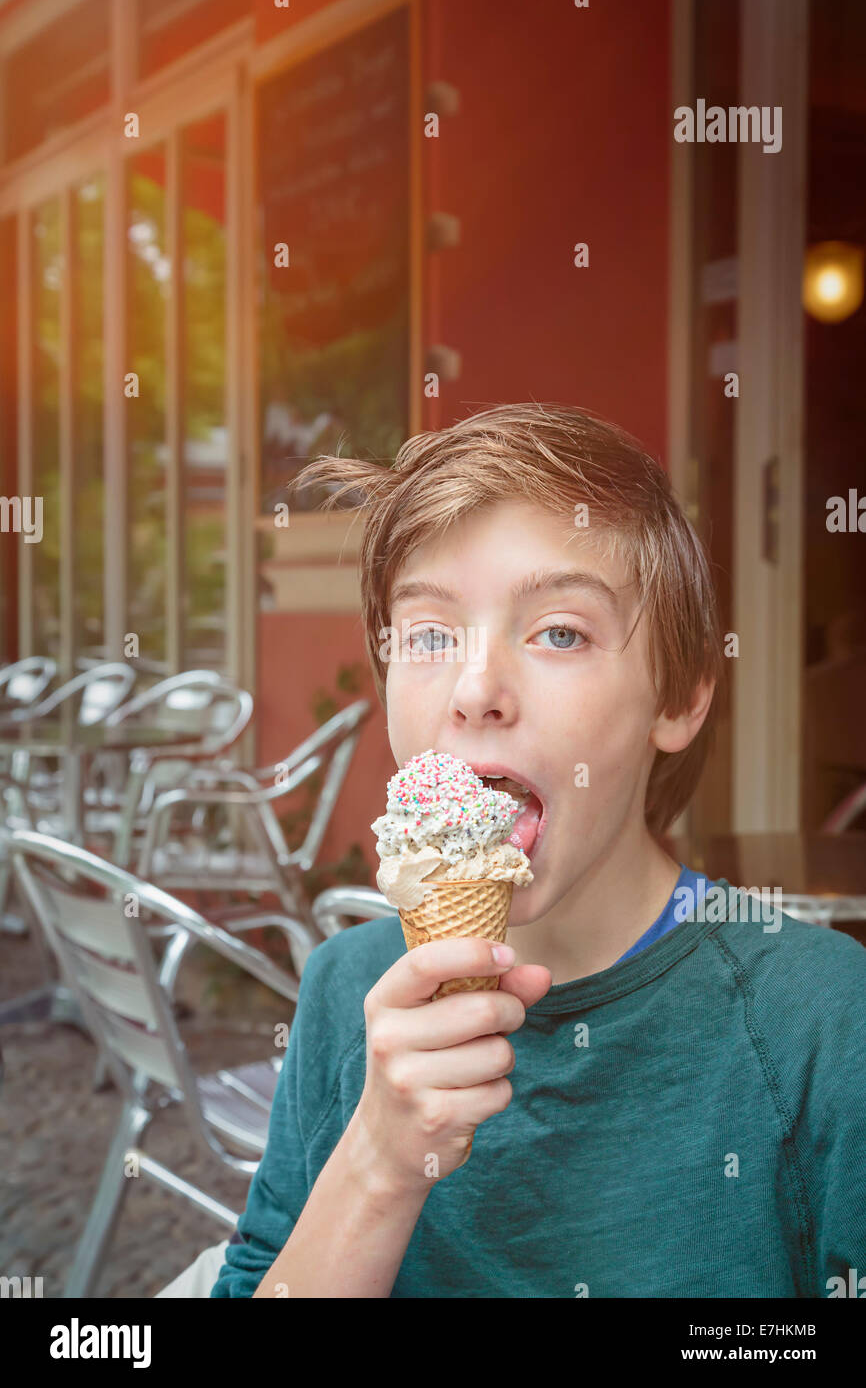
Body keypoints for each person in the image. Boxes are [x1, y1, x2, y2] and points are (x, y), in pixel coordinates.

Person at [210, 403, 866, 1298]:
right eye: (430, 635)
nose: (477, 689)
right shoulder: (345, 989)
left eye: (560, 631)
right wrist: (378, 1164)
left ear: (679, 698)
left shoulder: (823, 1023)